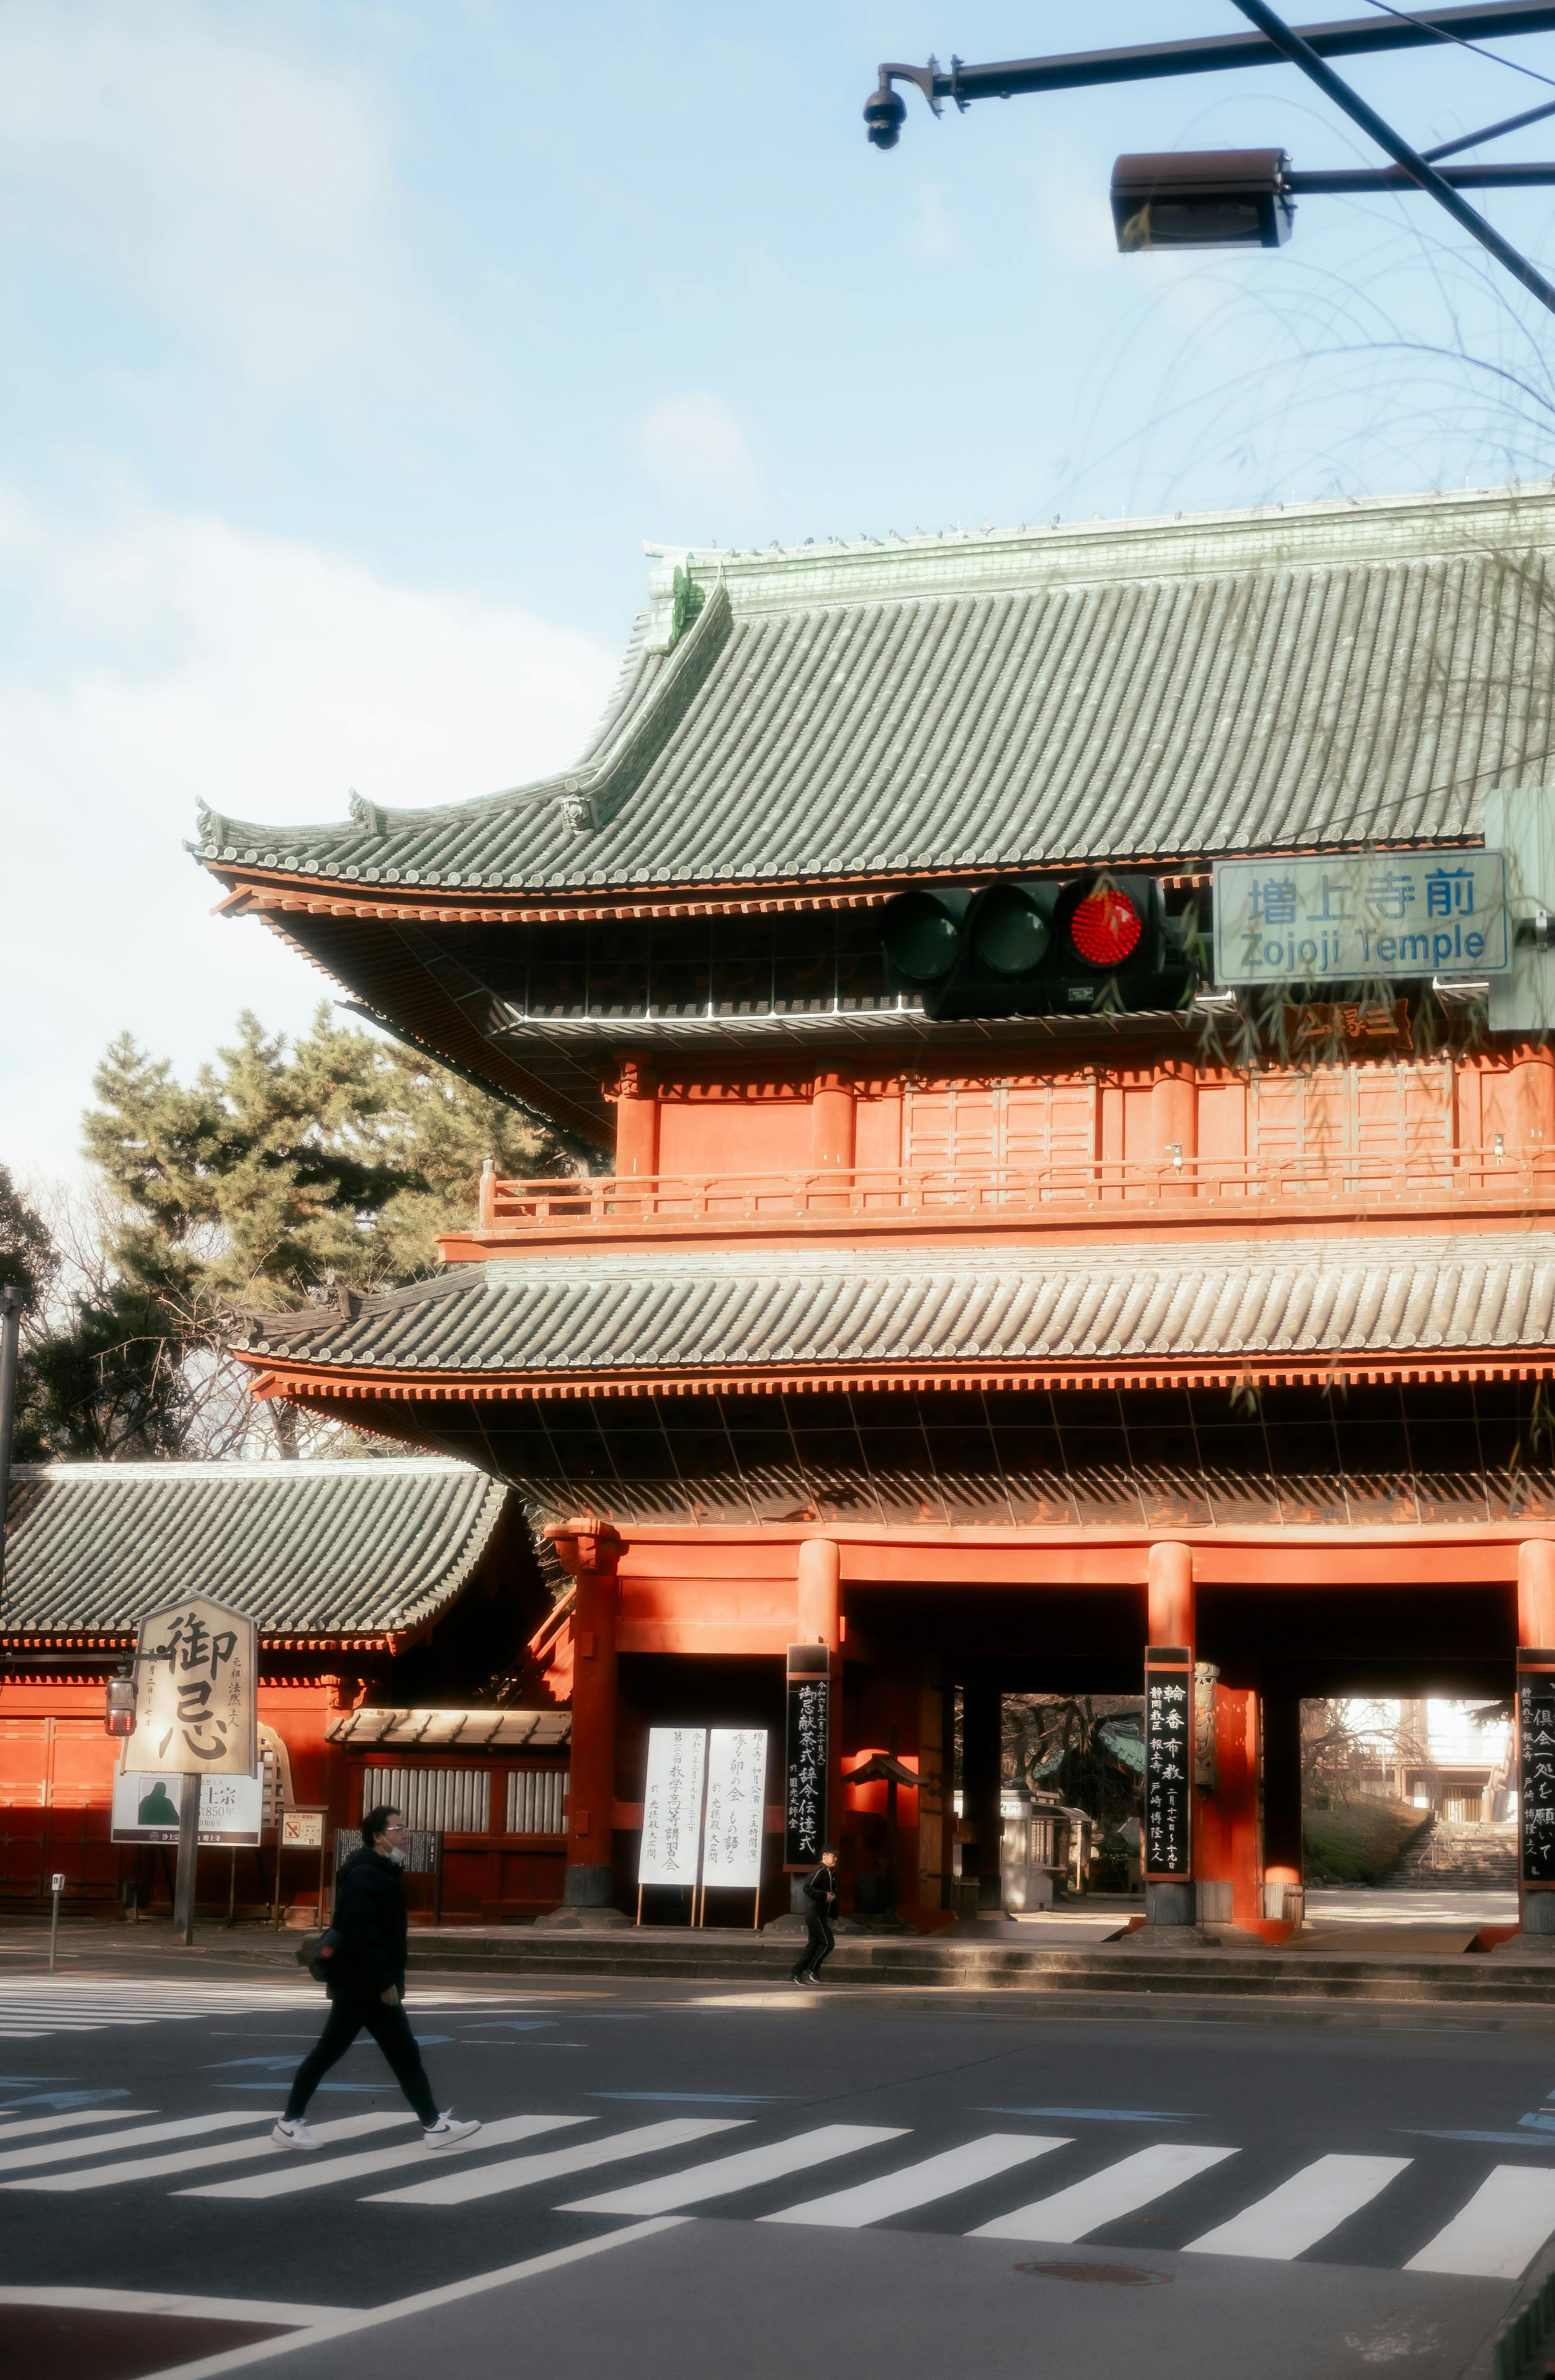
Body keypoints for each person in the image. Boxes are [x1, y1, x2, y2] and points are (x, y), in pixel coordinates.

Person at [274, 1804, 480, 2152]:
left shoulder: (380, 1870)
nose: (406, 1834)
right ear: (378, 1836)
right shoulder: (366, 1874)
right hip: (363, 1985)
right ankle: (289, 2122)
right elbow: (363, 1933)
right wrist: (385, 1982)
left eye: (405, 1827)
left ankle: (432, 2124)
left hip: (365, 1983)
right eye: (399, 1828)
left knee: (398, 2053)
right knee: (343, 2054)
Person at [791, 1846, 840, 1986]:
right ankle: (812, 1968)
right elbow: (807, 1888)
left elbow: (834, 1895)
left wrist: (834, 1915)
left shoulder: (832, 1873)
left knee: (812, 1947)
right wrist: (823, 1896)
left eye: (836, 1856)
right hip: (815, 1914)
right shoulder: (819, 1871)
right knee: (828, 1943)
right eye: (833, 1856)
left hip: (822, 1915)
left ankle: (796, 1972)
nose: (835, 1858)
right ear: (824, 1856)